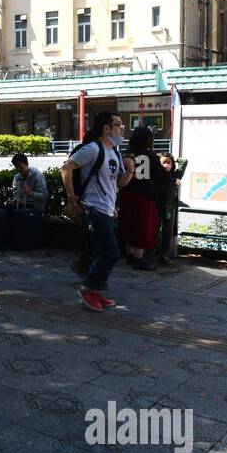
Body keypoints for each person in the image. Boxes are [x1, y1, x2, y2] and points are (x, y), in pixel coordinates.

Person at [62, 111, 134, 312]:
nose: (122, 128)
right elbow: (66, 169)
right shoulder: (93, 149)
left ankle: (93, 289)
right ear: (106, 128)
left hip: (107, 210)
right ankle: (87, 289)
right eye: (119, 124)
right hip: (93, 209)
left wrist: (129, 171)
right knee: (111, 252)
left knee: (103, 252)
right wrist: (72, 196)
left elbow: (119, 182)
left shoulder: (116, 152)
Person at [117, 126, 170, 271]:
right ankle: (138, 258)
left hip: (127, 193)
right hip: (144, 195)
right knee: (142, 225)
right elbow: (160, 176)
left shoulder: (124, 153)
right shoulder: (149, 155)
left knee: (128, 224)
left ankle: (129, 255)